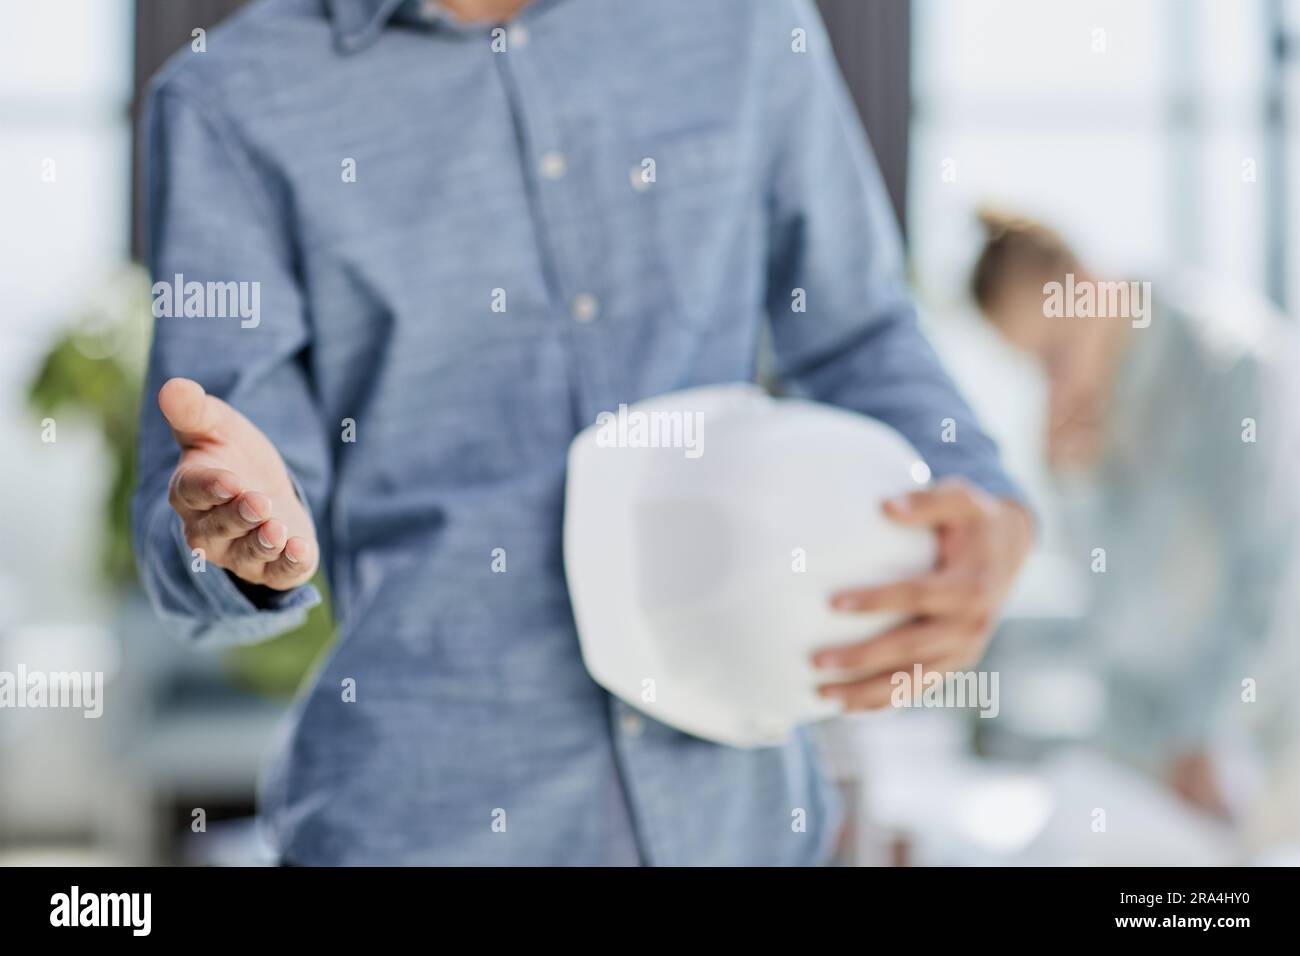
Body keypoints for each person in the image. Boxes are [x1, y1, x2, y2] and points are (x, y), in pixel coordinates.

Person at [133, 0, 1032, 865]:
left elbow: (858, 334)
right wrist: (237, 531)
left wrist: (984, 504)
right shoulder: (229, 97)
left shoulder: (746, 19)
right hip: (417, 825)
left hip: (744, 820)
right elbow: (215, 491)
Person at [970, 208, 1296, 816]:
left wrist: (1206, 734)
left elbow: (1273, 571)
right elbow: (1108, 602)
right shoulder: (1084, 405)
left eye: (1057, 350)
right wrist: (1072, 484)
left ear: (1088, 284)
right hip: (1149, 743)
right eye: (1035, 364)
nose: (1055, 382)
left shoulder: (1233, 365)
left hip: (1260, 737)